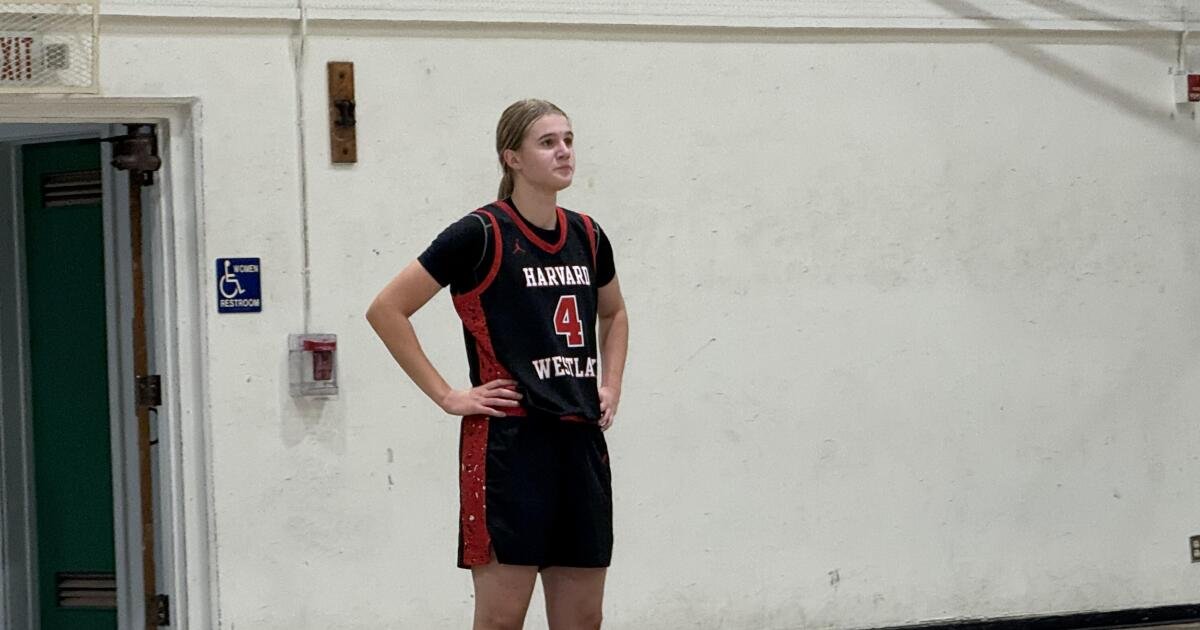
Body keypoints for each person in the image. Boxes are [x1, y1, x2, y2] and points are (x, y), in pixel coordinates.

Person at [366, 98, 629, 630]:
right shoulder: (479, 234)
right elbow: (386, 310)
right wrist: (448, 395)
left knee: (583, 619)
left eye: (569, 140)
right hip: (510, 446)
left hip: (579, 444)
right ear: (511, 157)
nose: (564, 152)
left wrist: (611, 383)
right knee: (502, 619)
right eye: (548, 142)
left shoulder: (589, 234)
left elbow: (615, 312)